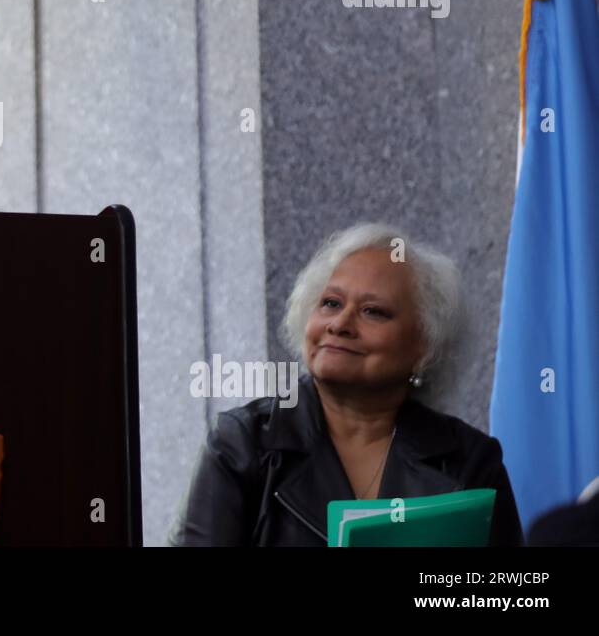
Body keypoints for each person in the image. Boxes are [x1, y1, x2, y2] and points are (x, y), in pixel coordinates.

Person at [172, 223, 523, 546]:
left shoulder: (470, 461)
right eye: (330, 303)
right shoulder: (243, 447)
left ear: (424, 346)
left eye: (373, 311)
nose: (340, 323)